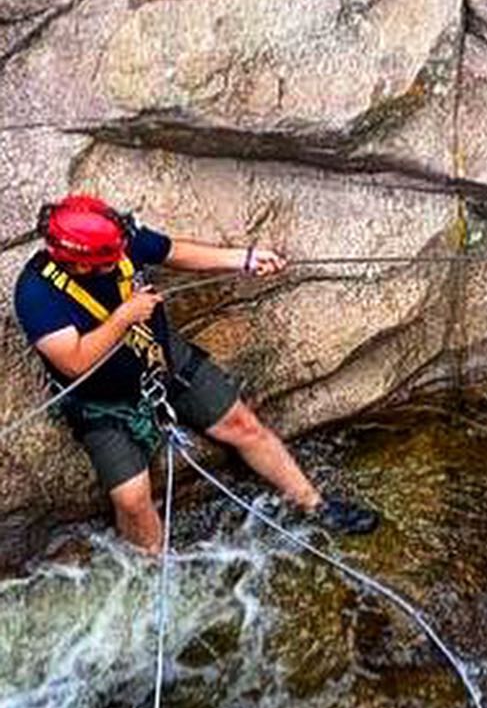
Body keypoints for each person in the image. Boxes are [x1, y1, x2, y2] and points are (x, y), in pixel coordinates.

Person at [13, 194, 379, 550]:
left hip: (162, 360)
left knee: (243, 426)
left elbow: (175, 252)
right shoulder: (37, 293)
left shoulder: (119, 237)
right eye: (109, 260)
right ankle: (153, 564)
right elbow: (75, 362)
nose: (121, 258)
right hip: (103, 400)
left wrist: (244, 259)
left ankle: (314, 505)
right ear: (78, 264)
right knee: (131, 498)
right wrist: (124, 316)